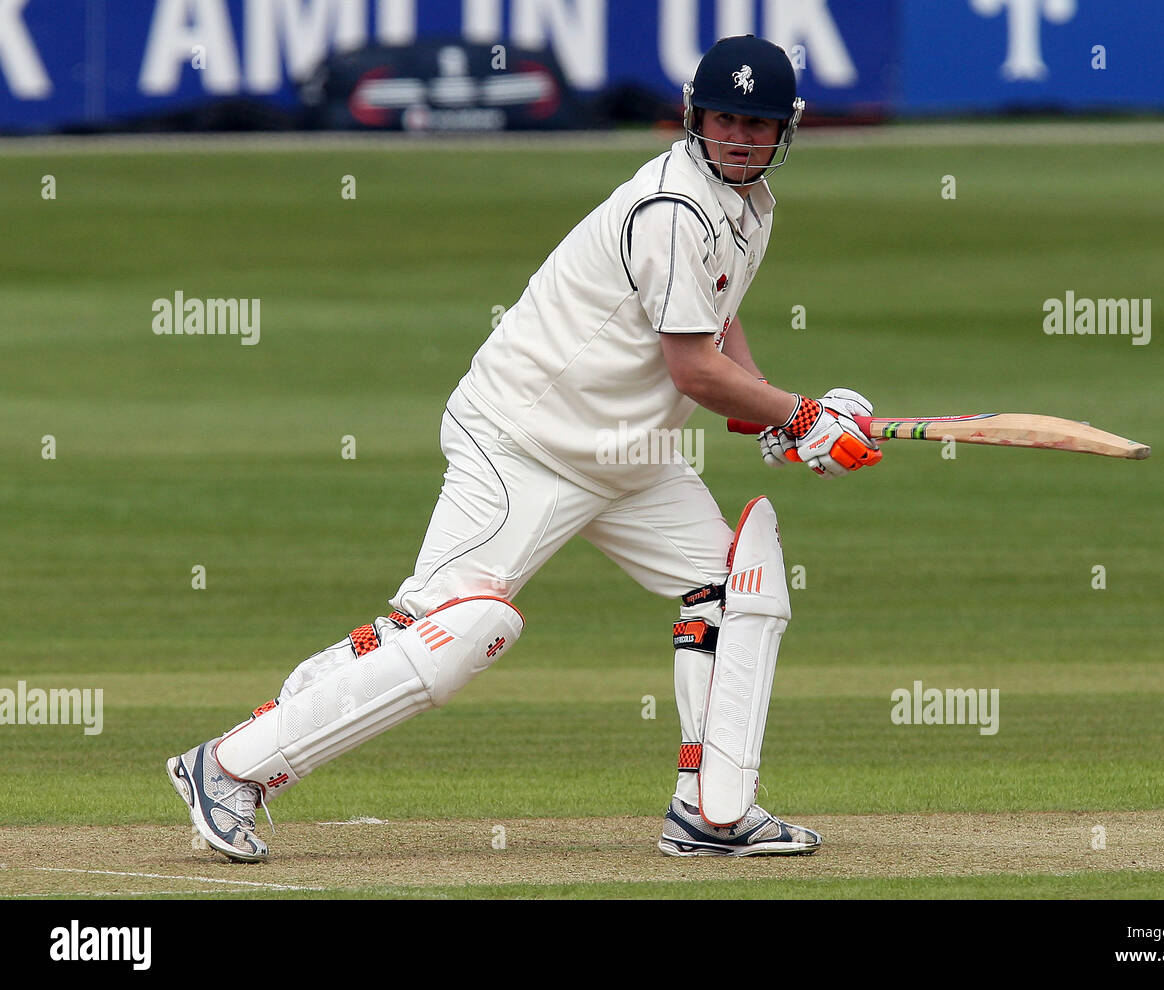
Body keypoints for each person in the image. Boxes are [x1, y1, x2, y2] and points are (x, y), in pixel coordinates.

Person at [166, 34, 879, 863]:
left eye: (758, 125)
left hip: (630, 455)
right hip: (525, 442)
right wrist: (798, 415)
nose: (740, 138)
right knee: (460, 632)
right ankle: (229, 766)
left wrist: (776, 418)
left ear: (786, 130)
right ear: (693, 116)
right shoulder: (673, 207)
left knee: (734, 587)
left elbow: (712, 317)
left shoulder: (747, 204)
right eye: (725, 119)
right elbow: (692, 366)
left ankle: (711, 810)